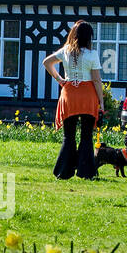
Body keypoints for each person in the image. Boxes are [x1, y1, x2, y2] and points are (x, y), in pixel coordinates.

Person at [43, 20, 104, 180]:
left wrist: (60, 79)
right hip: (87, 94)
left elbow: (47, 62)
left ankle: (64, 171)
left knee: (68, 136)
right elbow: (97, 80)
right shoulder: (92, 54)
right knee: (86, 136)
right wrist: (101, 102)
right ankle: (86, 172)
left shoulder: (66, 51)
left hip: (69, 93)